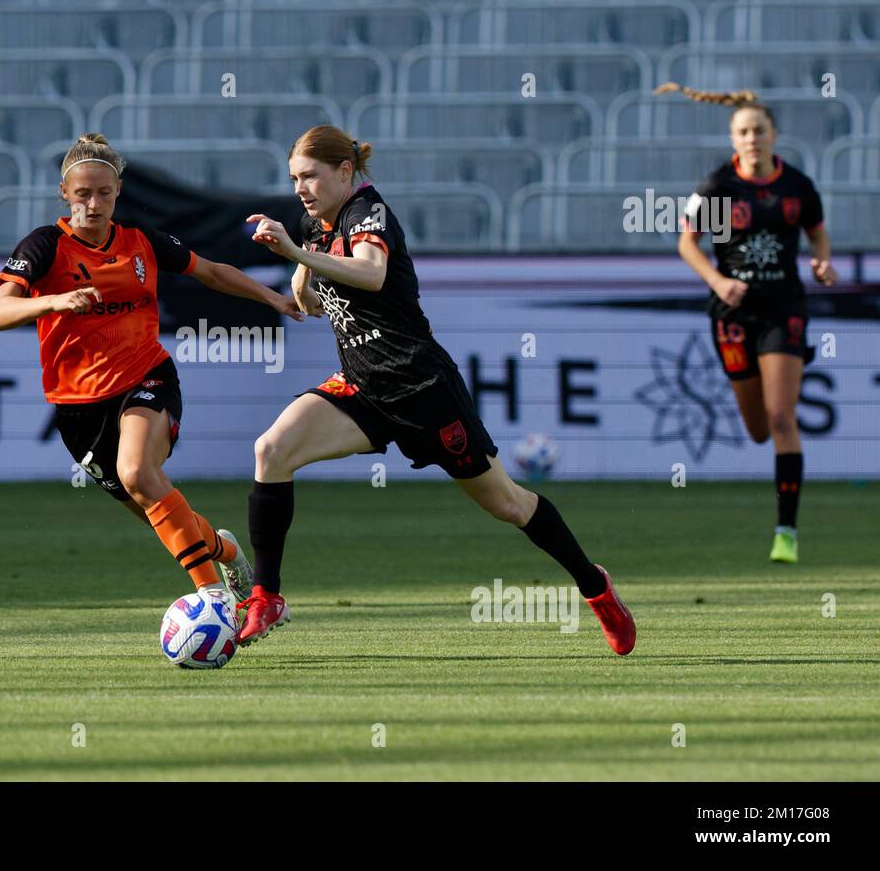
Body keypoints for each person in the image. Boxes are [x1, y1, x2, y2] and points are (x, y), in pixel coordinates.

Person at [240, 125, 636, 654]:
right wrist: (299, 273)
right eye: (293, 178)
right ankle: (268, 595)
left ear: (344, 171)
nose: (300, 188)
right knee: (271, 449)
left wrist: (297, 253)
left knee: (509, 505)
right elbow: (315, 305)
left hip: (422, 388)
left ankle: (596, 588)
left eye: (309, 175)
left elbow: (372, 273)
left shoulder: (368, 212)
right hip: (361, 387)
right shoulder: (319, 227)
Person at [0, 133, 302, 604]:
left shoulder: (139, 241)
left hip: (147, 378)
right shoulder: (44, 246)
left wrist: (273, 297)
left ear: (117, 193)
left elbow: (211, 271)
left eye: (104, 193)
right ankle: (227, 549)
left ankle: (211, 598)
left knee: (136, 472)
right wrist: (53, 301)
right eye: (83, 193)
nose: (93, 204)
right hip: (77, 408)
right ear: (64, 193)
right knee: (153, 504)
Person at [664, 83, 838, 564]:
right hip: (734, 317)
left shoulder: (796, 187)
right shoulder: (720, 187)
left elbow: (818, 237)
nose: (751, 138)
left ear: (774, 135)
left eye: (759, 130)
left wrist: (822, 264)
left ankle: (786, 531)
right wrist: (718, 282)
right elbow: (687, 243)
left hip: (784, 310)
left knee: (783, 418)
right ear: (732, 137)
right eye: (742, 131)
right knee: (759, 429)